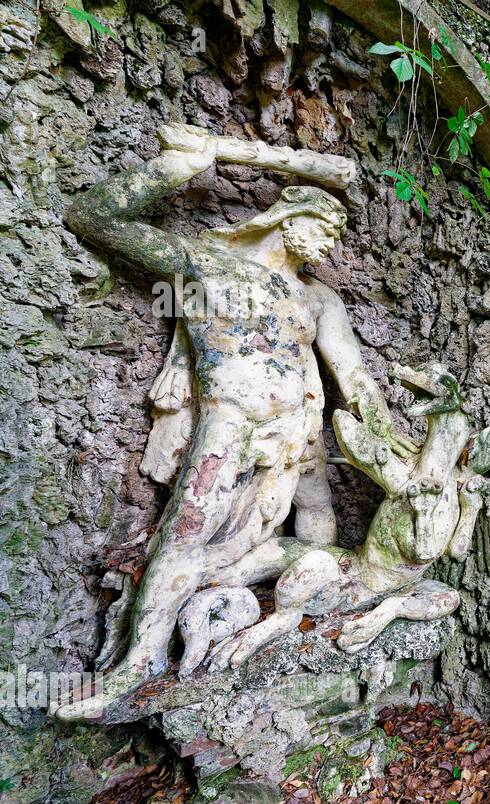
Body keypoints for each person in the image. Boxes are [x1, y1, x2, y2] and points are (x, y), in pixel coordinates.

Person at [58, 123, 415, 719]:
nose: (329, 247)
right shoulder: (207, 265)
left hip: (298, 430)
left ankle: (294, 622)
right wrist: (177, 169)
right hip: (231, 426)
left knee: (313, 523)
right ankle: (135, 666)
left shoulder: (318, 300)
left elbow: (356, 382)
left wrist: (392, 444)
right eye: (324, 230)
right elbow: (92, 218)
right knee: (183, 537)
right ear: (286, 216)